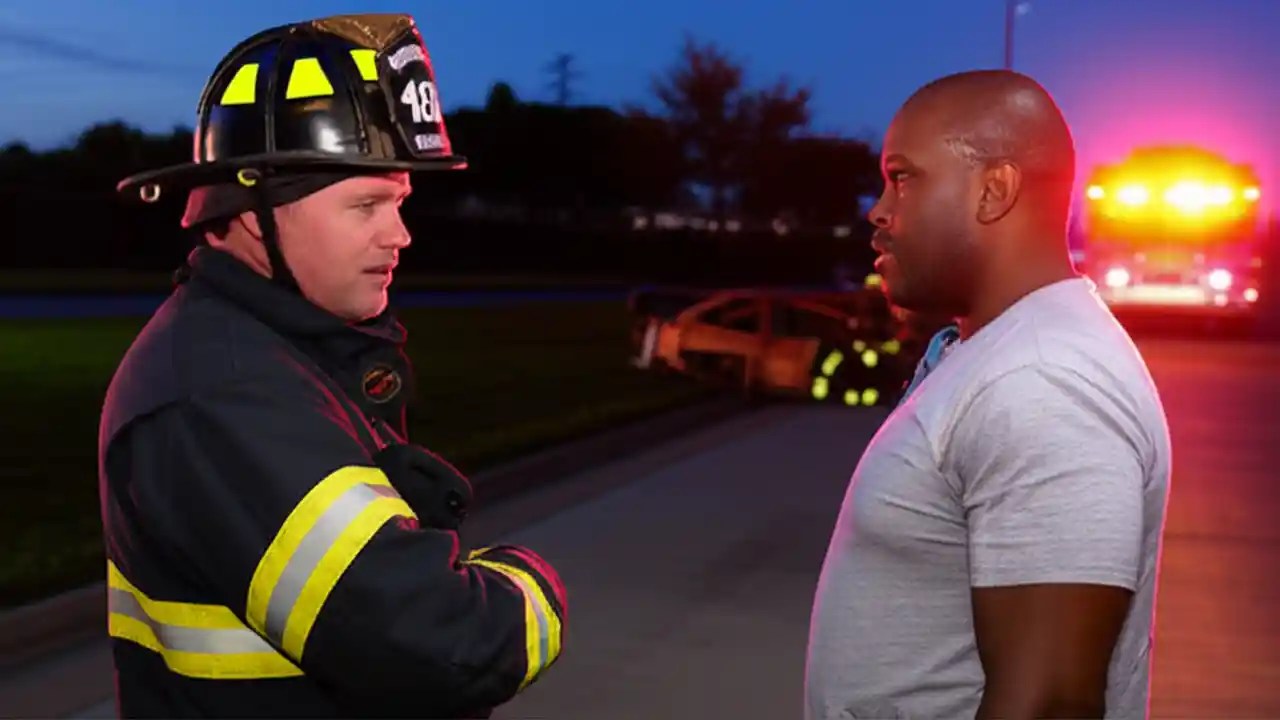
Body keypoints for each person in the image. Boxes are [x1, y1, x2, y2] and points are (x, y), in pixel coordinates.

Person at [98, 13, 566, 718]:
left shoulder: (281, 349)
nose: (400, 234)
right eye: (365, 204)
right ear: (254, 213)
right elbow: (446, 646)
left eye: (400, 202)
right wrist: (532, 584)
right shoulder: (222, 393)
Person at [804, 69, 1171, 720]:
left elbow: (1049, 703)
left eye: (902, 178)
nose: (878, 211)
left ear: (994, 190)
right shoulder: (999, 352)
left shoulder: (1043, 381)